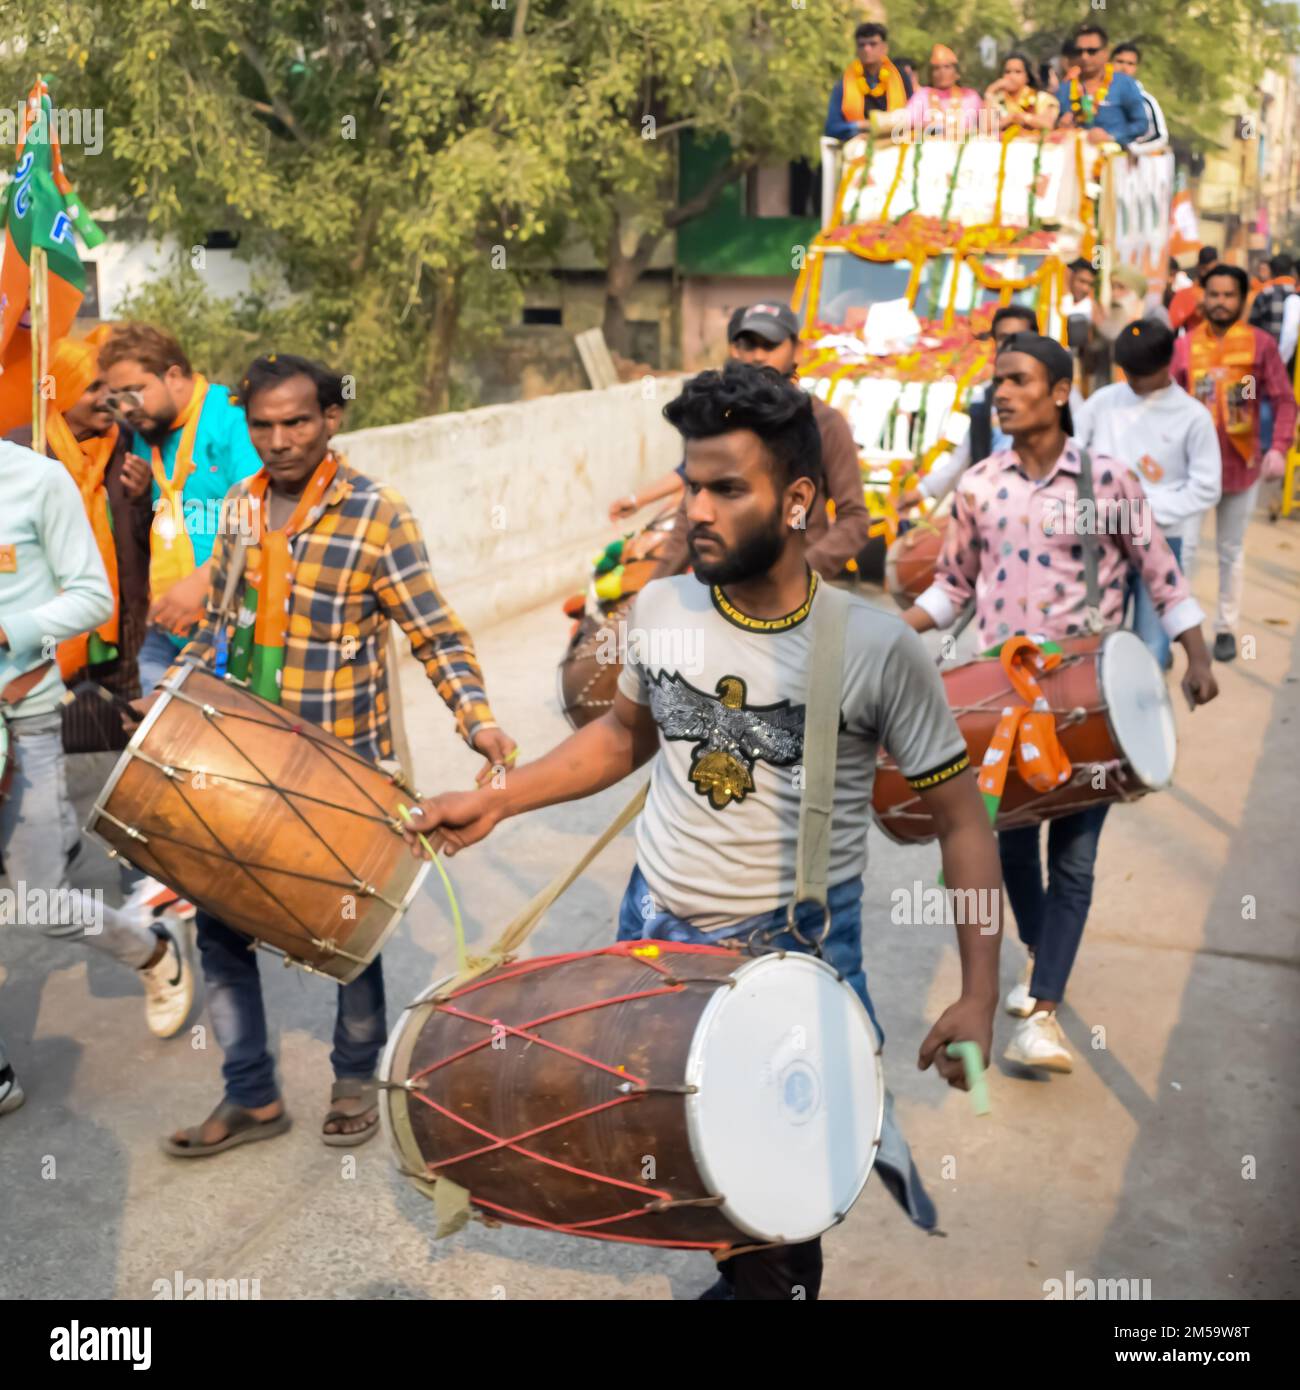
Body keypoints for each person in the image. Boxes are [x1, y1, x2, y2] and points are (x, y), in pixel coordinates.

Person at [403, 361, 1004, 1301]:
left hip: (795, 951)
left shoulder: (876, 650)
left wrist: (979, 990)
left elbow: (964, 823)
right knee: (675, 1166)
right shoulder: (663, 606)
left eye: (727, 488)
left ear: (798, 499)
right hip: (656, 933)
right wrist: (501, 798)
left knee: (777, 1208)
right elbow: (623, 735)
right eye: (690, 484)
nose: (696, 510)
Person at [135, 353, 518, 1156]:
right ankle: (250, 1095)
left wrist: (476, 720)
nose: (279, 441)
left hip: (338, 764)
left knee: (347, 930)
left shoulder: (378, 515)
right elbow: (218, 622)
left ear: (332, 419)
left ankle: (353, 1077)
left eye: (296, 422)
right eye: (263, 426)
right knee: (221, 930)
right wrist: (173, 697)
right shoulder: (239, 507)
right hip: (239, 755)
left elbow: (433, 630)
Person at [903, 333, 1217, 1073]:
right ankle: (1041, 957)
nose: (1000, 394)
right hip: (999, 698)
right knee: (1010, 845)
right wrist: (892, 632)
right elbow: (952, 587)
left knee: (1074, 858)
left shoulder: (1107, 481)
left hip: (1088, 699)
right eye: (996, 383)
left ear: (1059, 391)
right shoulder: (979, 486)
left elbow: (1160, 574)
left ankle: (1041, 1011)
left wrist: (1198, 654)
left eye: (1016, 381)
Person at [0, 436, 200, 1117]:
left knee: (40, 905)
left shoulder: (37, 480)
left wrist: (7, 630)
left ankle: (151, 949)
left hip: (20, 726)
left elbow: (92, 597)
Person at [99, 325, 265, 694]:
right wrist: (143, 497)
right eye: (116, 399)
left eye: (134, 393)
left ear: (173, 375)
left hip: (233, 629)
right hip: (167, 633)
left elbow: (261, 510)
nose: (125, 410)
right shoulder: (147, 433)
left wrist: (206, 582)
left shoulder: (232, 419)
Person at [650, 303, 871, 580]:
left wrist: (798, 576)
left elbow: (854, 519)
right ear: (733, 349)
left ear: (797, 350)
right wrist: (650, 592)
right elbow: (688, 517)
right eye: (748, 344)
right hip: (730, 584)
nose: (756, 356)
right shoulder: (719, 421)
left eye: (769, 345)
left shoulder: (824, 422)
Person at [1073, 319, 1222, 669]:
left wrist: (1146, 512)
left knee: (1152, 647)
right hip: (1104, 538)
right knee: (1092, 641)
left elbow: (1206, 486)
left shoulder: (1193, 417)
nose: (1135, 382)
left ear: (1167, 364)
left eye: (1143, 374)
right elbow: (1075, 455)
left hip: (1161, 540)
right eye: (1129, 373)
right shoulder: (1103, 402)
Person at [1171, 265, 1297, 661]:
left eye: (1229, 295)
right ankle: (1181, 630)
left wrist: (1278, 447)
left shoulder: (1260, 345)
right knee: (1184, 548)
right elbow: (1168, 400)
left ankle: (1226, 627)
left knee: (1230, 550)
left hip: (1242, 464)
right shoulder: (1185, 346)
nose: (1221, 302)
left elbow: (1283, 400)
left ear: (1242, 300)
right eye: (1214, 295)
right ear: (1203, 298)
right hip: (1192, 468)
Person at [897, 303, 1041, 511]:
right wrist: (922, 491)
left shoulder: (1055, 393)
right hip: (992, 510)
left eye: (1018, 338)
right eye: (1003, 338)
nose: (1010, 345)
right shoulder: (984, 397)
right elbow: (963, 458)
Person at [1055, 24, 1149, 149]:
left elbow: (1141, 124)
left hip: (1112, 161)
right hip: (1073, 160)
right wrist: (1060, 124)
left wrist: (1111, 136)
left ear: (1105, 53)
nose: (1084, 56)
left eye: (1092, 51)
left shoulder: (1124, 83)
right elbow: (1053, 123)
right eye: (1079, 51)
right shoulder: (1066, 87)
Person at [824, 22, 912, 142]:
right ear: (857, 49)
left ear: (885, 47)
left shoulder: (901, 77)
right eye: (862, 45)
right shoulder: (844, 83)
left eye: (873, 44)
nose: (867, 49)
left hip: (897, 141)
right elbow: (832, 128)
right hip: (858, 145)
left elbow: (914, 117)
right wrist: (863, 125)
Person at [905, 44, 984, 138]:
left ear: (957, 73)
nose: (942, 72)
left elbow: (988, 127)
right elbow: (906, 121)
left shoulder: (970, 96)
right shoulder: (922, 95)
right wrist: (929, 127)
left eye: (947, 67)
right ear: (930, 74)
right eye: (936, 68)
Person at [1110, 44, 1169, 150]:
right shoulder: (1095, 94)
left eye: (1130, 64)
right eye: (1120, 61)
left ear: (1136, 68)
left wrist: (1130, 147)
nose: (1124, 67)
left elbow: (1160, 137)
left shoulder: (1146, 101)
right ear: (1110, 62)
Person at [985, 51, 1060, 132]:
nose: (1011, 76)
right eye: (1007, 72)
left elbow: (1047, 124)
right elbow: (985, 128)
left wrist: (1022, 118)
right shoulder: (997, 100)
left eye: (1018, 72)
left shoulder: (1042, 98)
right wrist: (990, 91)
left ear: (1027, 76)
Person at [1169, 247, 1220, 335]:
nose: (1210, 274)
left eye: (1213, 270)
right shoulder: (1187, 295)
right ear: (1198, 267)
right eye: (1205, 269)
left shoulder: (1226, 294)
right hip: (1196, 345)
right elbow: (1170, 326)